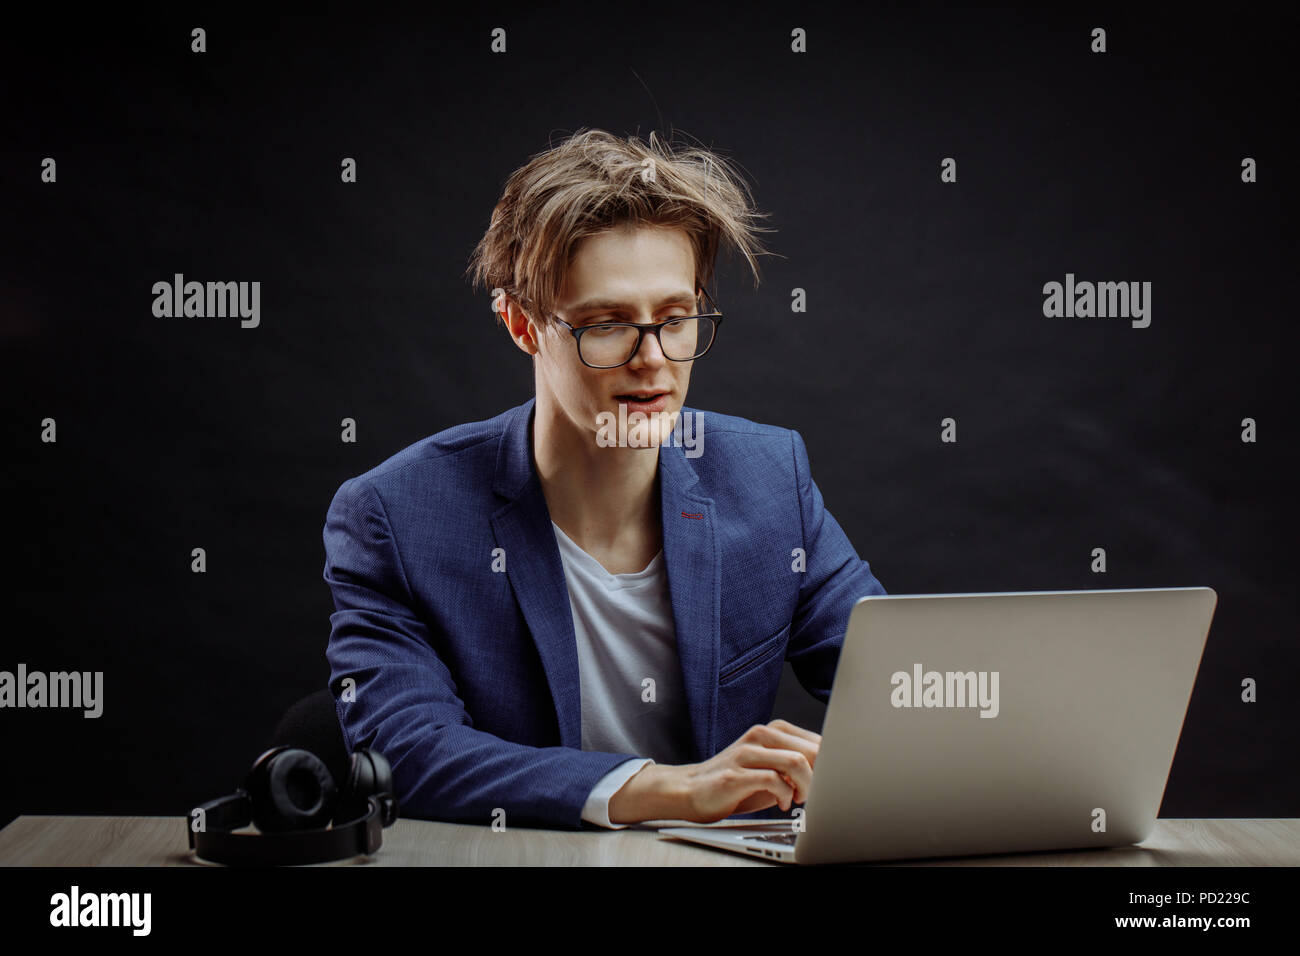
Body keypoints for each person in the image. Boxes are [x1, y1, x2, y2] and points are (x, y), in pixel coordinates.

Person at [323, 128, 886, 829]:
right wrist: (676, 790)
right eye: (608, 324)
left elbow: (903, 692)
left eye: (676, 319)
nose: (652, 359)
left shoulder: (771, 479)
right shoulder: (395, 517)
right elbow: (407, 756)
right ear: (522, 324)